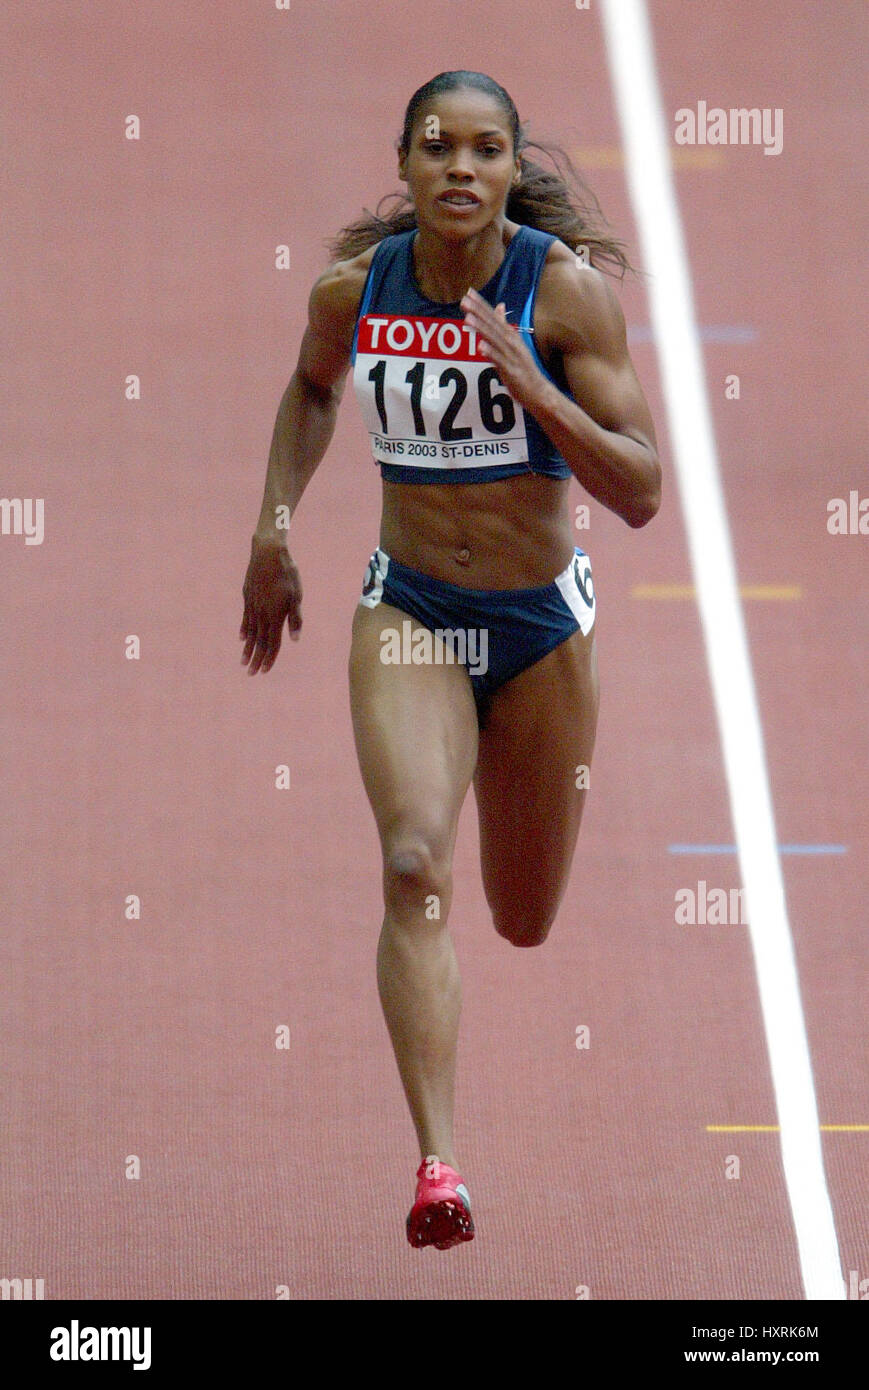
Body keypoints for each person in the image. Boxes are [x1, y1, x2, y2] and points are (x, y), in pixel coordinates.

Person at [240, 70, 661, 1251]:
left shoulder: (562, 296)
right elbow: (311, 390)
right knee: (413, 860)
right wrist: (273, 531)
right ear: (408, 166)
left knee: (520, 917)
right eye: (437, 148)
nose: (460, 169)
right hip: (410, 609)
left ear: (508, 168)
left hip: (537, 630)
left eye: (485, 150)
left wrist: (535, 392)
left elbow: (640, 492)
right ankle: (437, 1165)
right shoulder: (354, 291)